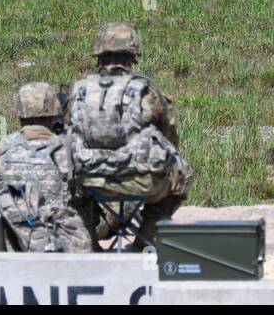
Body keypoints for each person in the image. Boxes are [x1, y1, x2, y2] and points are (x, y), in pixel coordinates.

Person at [65, 23, 193, 250]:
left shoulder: (79, 90)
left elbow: (65, 135)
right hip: (138, 182)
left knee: (71, 188)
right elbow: (169, 136)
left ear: (99, 55)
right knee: (182, 174)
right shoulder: (145, 90)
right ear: (133, 55)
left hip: (88, 182)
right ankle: (145, 240)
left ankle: (89, 244)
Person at [0, 82, 90, 252]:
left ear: (19, 116)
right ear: (52, 116)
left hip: (20, 240)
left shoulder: (3, 147)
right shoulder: (66, 146)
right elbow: (81, 191)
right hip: (64, 240)